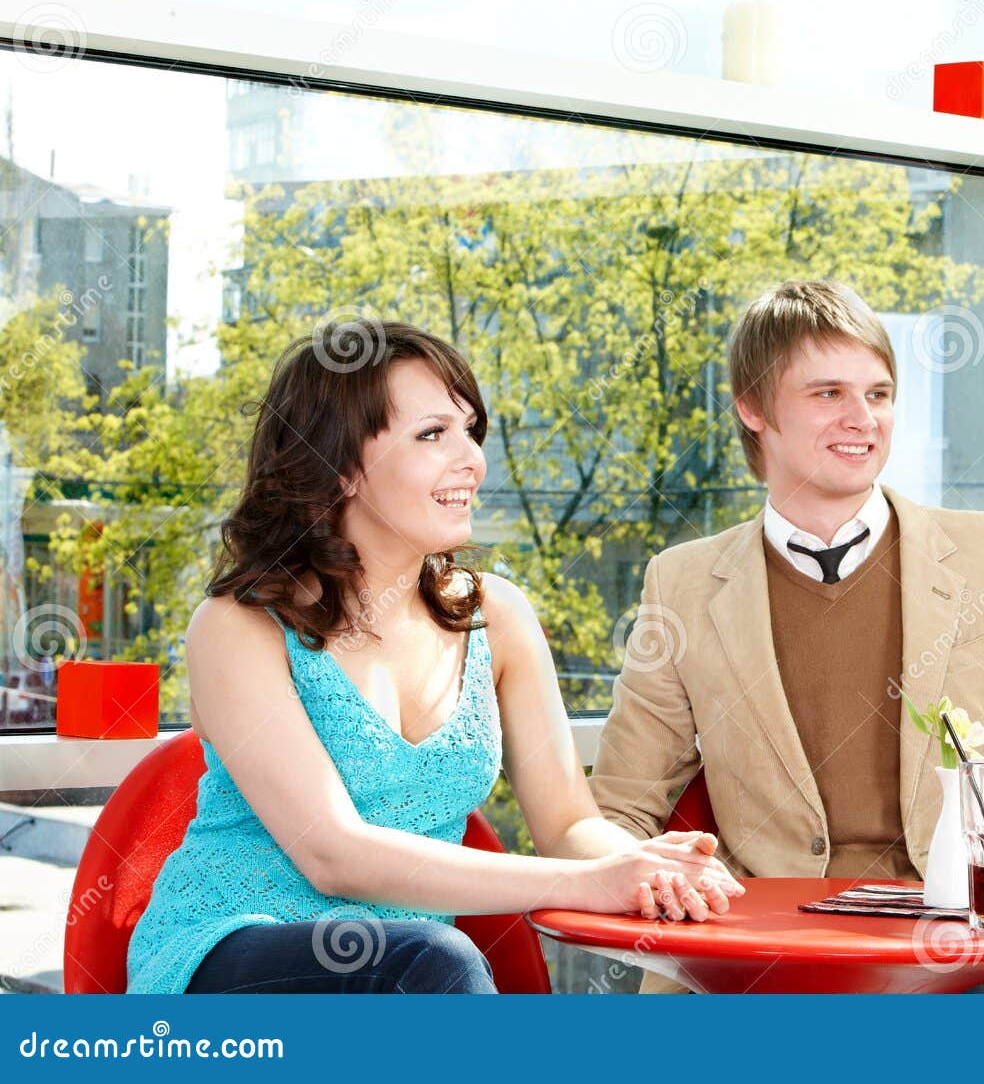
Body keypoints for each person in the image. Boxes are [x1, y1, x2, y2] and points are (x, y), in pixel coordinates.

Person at [127, 320, 742, 995]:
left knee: (429, 960)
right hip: (228, 957)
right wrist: (588, 883)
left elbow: (569, 824)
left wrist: (651, 865)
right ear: (338, 466)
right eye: (431, 434)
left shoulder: (498, 617)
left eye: (470, 429)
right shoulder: (238, 626)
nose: (472, 459)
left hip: (410, 975)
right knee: (433, 959)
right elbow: (333, 851)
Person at [589, 280, 984, 993]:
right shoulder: (682, 585)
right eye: (827, 394)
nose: (862, 418)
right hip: (759, 966)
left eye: (878, 393)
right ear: (753, 407)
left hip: (977, 966)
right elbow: (620, 810)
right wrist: (679, 895)